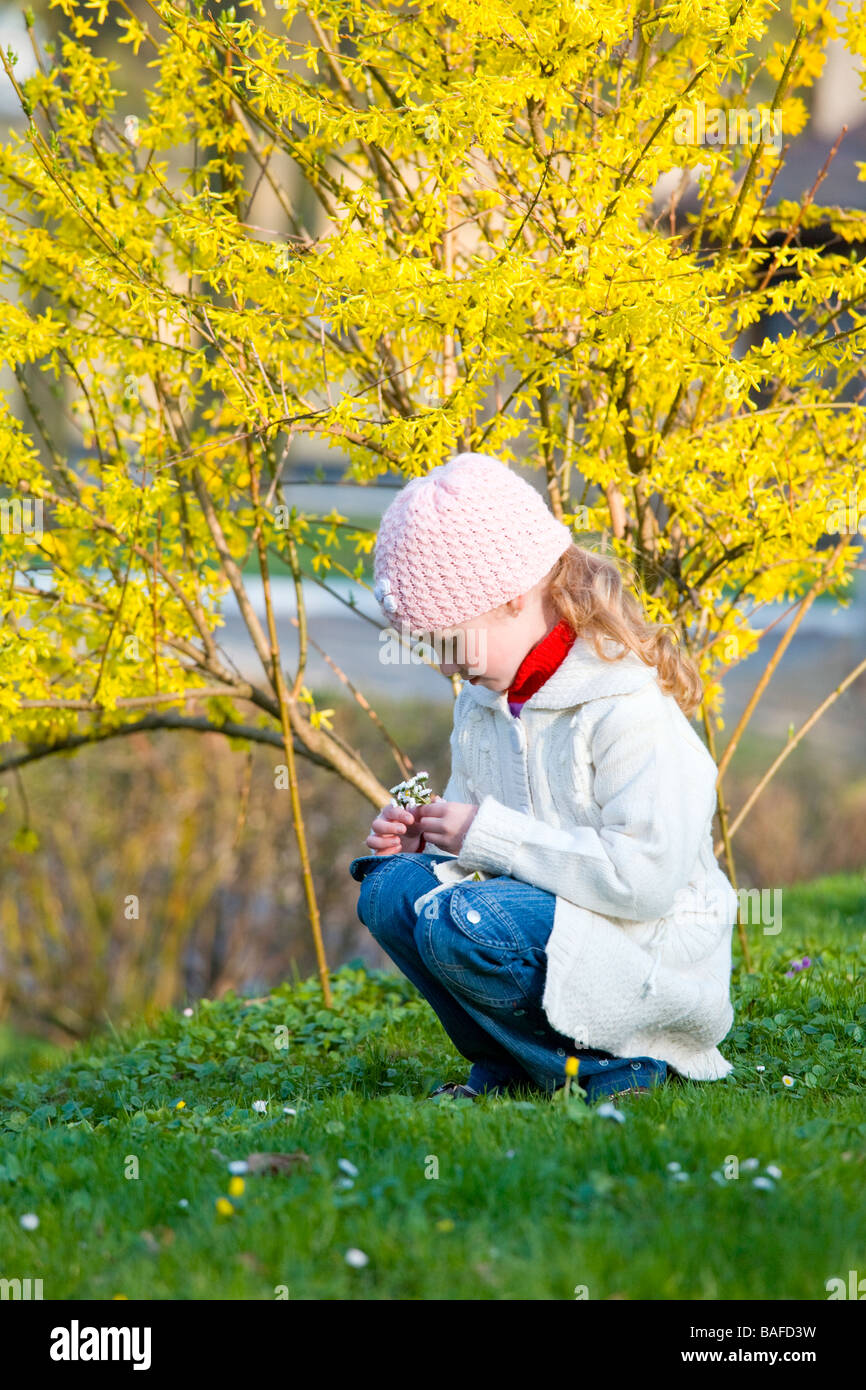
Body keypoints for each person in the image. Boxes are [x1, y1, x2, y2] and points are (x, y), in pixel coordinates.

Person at [349, 452, 738, 1104]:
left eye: (451, 641)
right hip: (543, 926)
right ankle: (509, 1063)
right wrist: (429, 831)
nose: (447, 664)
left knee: (463, 915)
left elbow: (642, 882)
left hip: (644, 957)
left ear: (514, 598)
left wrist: (485, 835)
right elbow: (477, 817)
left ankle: (614, 1066)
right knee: (389, 891)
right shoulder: (483, 700)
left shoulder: (627, 707)